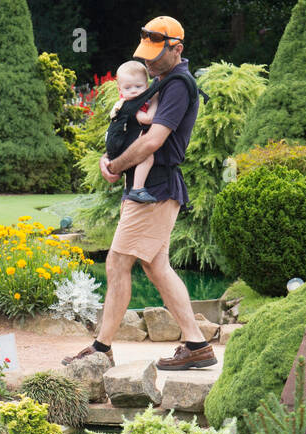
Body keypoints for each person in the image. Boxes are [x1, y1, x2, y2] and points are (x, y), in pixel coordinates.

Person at [64, 16, 212, 371]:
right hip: (155, 185)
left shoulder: (176, 85)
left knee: (116, 263)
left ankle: (102, 348)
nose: (147, 60)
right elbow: (134, 132)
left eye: (155, 53)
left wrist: (116, 167)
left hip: (155, 188)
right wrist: (111, 159)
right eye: (144, 52)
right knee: (157, 266)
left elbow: (155, 140)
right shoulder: (162, 80)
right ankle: (197, 345)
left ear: (177, 49)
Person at [106, 60, 160, 204]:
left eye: (138, 86)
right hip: (126, 147)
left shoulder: (127, 104)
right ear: (120, 91)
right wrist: (155, 98)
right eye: (128, 88)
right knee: (148, 157)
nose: (134, 91)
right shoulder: (132, 106)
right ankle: (138, 188)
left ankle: (134, 187)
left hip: (122, 144)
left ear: (146, 86)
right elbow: (148, 119)